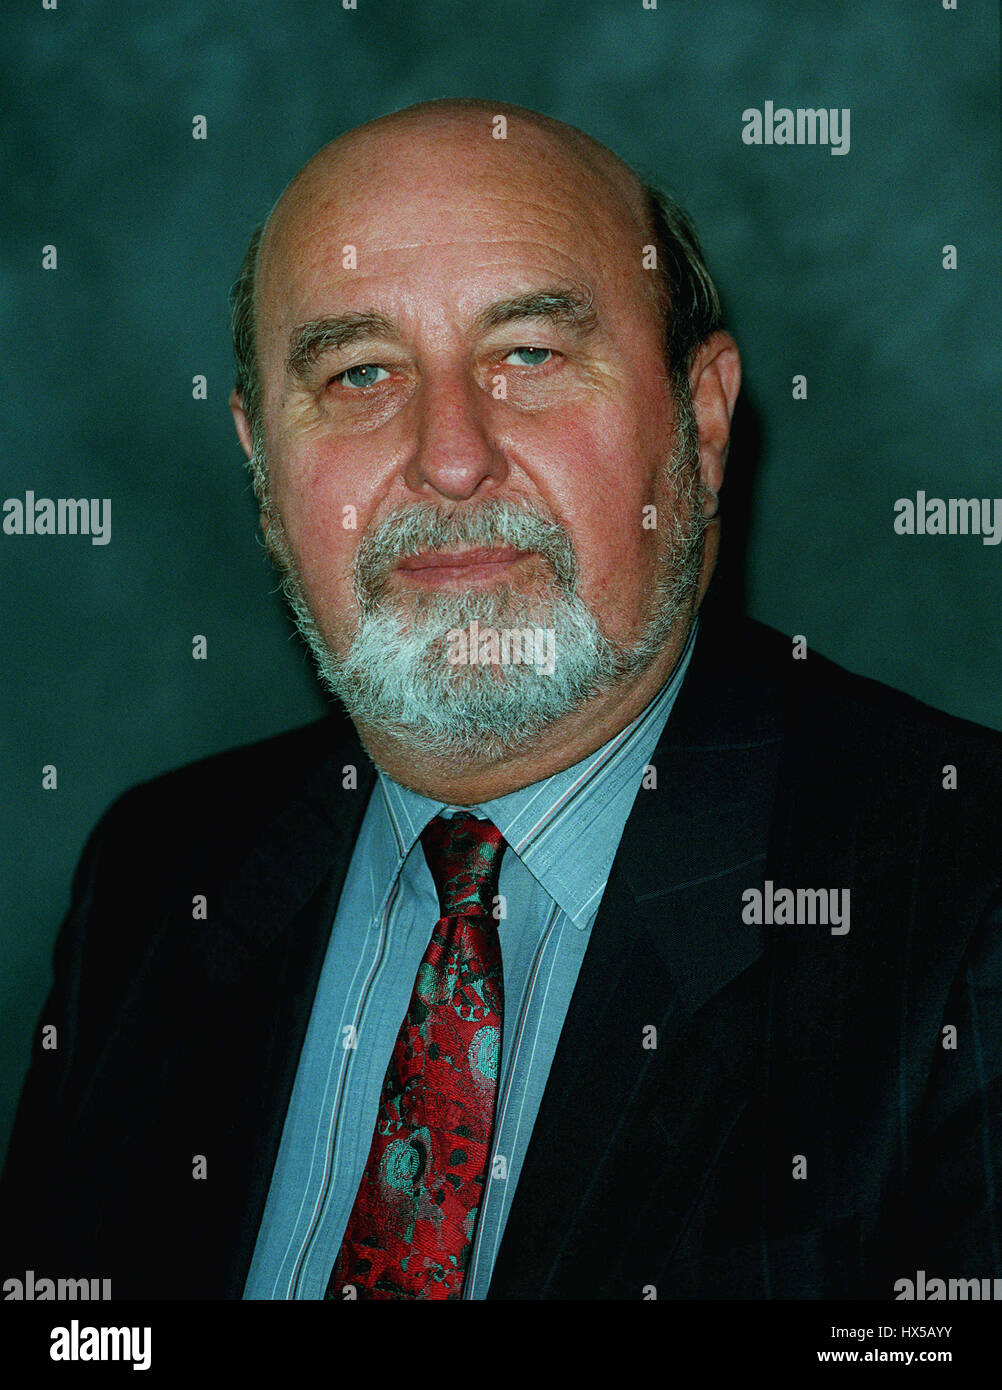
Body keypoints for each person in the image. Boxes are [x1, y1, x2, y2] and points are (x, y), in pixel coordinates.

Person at [2, 97, 1000, 1302]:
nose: (452, 456)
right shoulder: (160, 877)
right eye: (360, 372)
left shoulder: (959, 895)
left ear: (703, 418)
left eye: (529, 355)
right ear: (263, 465)